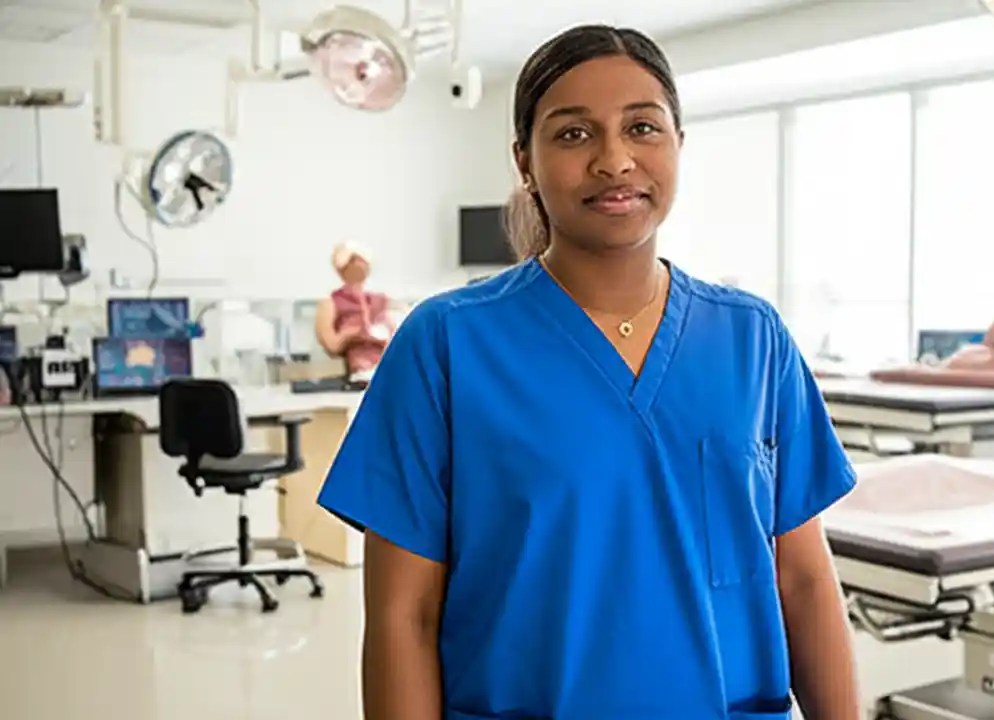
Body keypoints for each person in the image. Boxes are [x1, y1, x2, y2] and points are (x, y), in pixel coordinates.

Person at [316, 24, 861, 720]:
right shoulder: (447, 344)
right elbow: (403, 617)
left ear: (678, 145)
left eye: (642, 127)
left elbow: (804, 580)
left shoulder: (752, 339)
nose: (614, 161)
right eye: (574, 134)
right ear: (524, 160)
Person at [313, 241, 398, 380]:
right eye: (353, 261)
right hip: (358, 372)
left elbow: (398, 338)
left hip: (387, 368)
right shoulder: (330, 303)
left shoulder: (381, 301)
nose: (359, 266)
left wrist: (380, 336)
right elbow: (331, 344)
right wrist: (350, 334)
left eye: (361, 261)